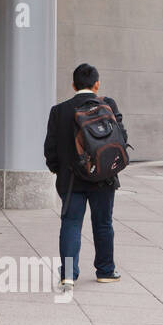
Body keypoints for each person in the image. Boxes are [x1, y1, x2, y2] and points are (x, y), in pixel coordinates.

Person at [44, 63, 125, 287]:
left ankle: (68, 274)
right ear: (97, 84)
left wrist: (58, 170)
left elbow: (50, 149)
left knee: (70, 224)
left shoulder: (59, 111)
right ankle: (105, 271)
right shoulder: (107, 106)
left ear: (73, 84)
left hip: (70, 180)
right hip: (103, 178)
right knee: (103, 224)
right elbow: (122, 140)